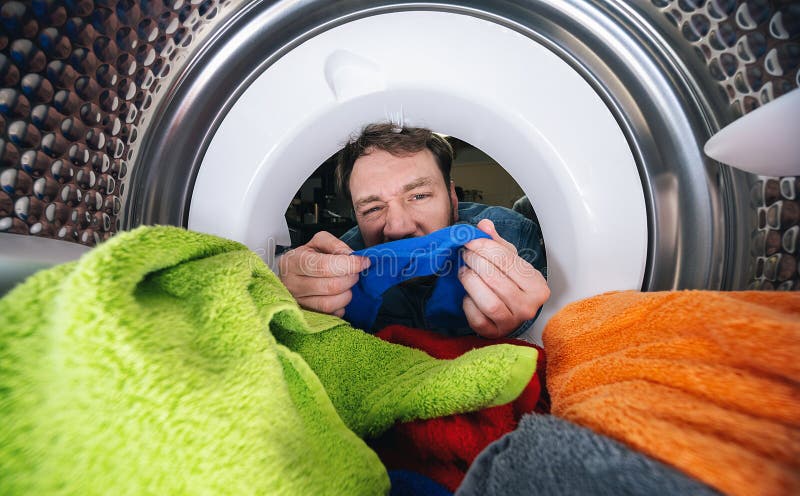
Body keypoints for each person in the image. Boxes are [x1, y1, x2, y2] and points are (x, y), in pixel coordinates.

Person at [278, 123, 549, 338]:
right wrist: (286, 296)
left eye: (419, 196)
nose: (397, 228)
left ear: (453, 200)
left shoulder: (513, 234)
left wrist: (525, 322)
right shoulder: (341, 263)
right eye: (372, 209)